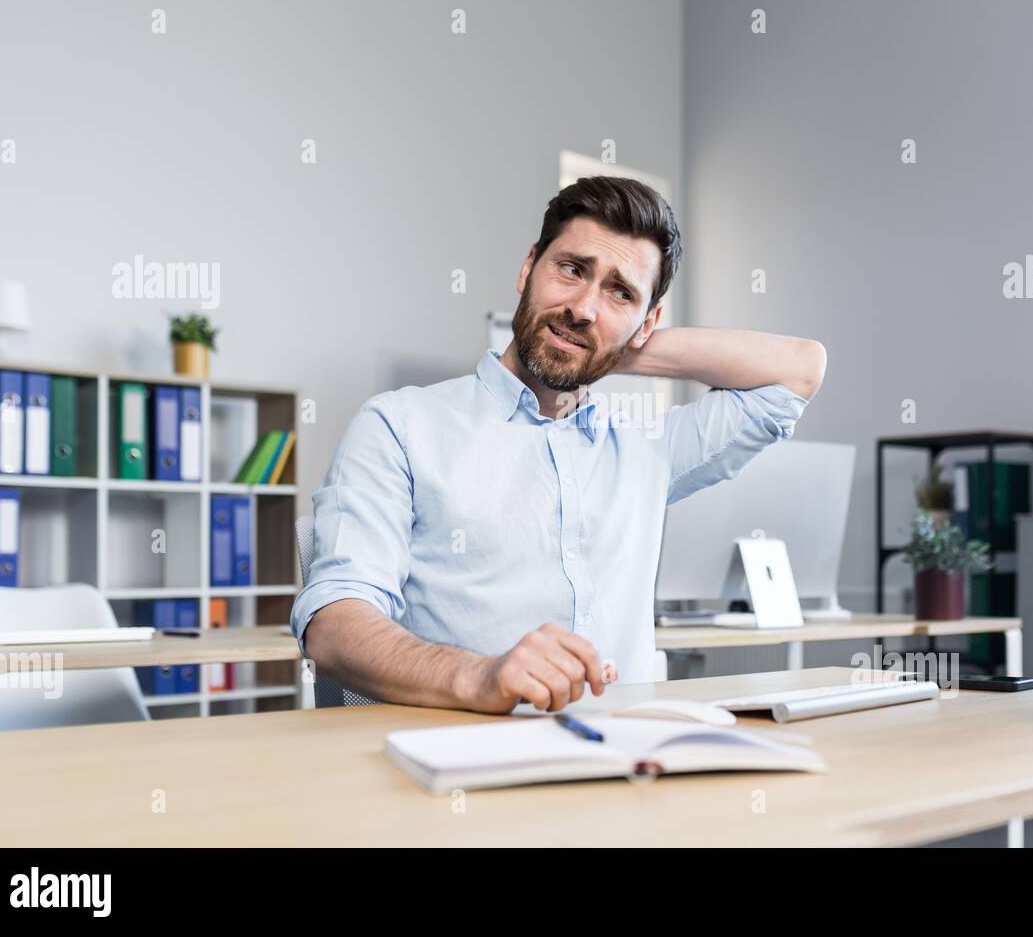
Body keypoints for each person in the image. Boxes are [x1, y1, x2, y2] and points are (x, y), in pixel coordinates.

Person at [291, 176, 827, 713]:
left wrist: (611, 343)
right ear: (529, 268)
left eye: (621, 292)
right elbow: (335, 625)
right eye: (572, 270)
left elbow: (800, 369)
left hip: (632, 767)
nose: (584, 307)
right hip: (467, 769)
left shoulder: (645, 449)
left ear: (649, 321)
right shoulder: (400, 425)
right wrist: (481, 677)